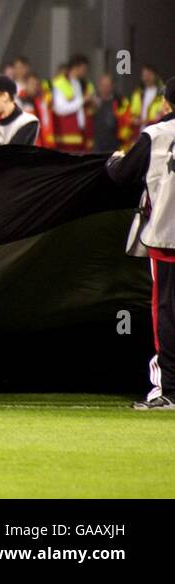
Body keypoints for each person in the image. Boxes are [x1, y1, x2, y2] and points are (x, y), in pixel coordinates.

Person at [104, 77, 175, 409]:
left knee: (165, 314)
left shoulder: (155, 135)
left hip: (166, 237)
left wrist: (115, 159)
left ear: (167, 103)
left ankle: (168, 390)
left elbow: (121, 175)